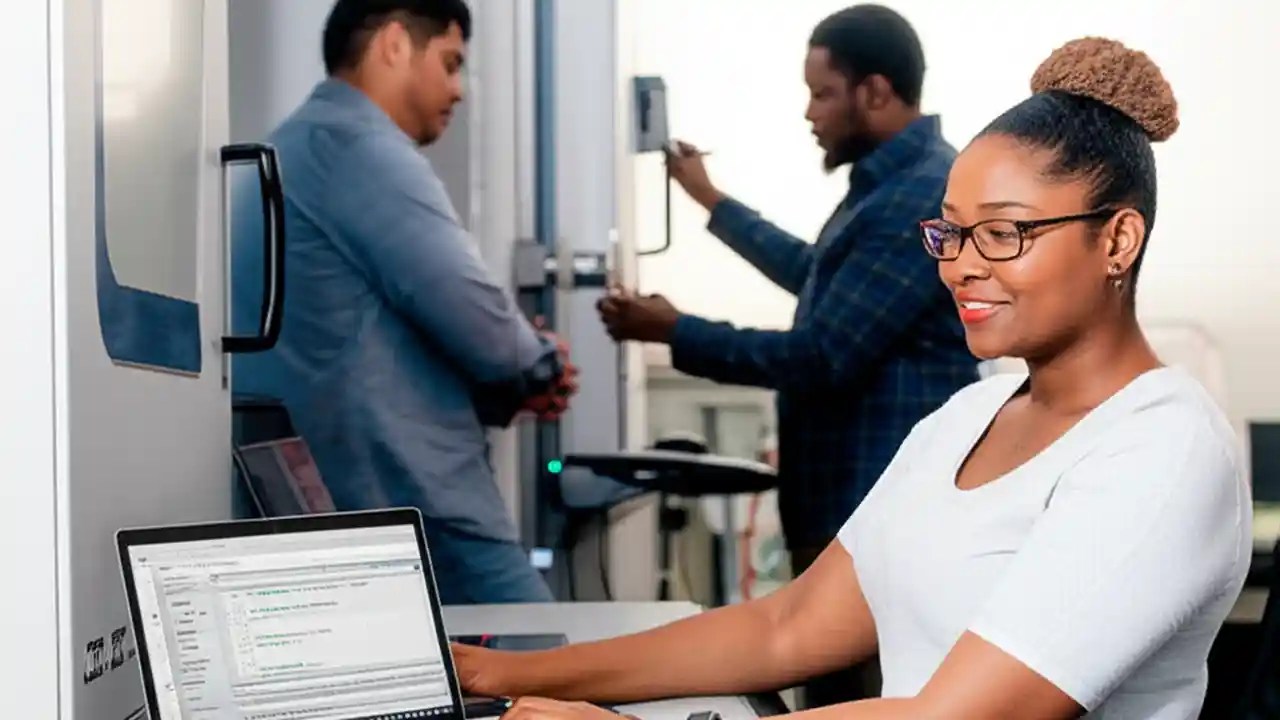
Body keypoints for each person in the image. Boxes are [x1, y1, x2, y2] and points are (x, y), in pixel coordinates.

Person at [455, 37, 1252, 719]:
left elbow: (962, 717)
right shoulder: (965, 418)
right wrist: (502, 672)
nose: (963, 268)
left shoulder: (1162, 450)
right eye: (953, 233)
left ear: (1118, 239)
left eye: (1005, 234)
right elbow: (788, 627)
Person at [599, 6, 977, 704]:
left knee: (854, 703)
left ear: (876, 92)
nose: (810, 113)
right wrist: (710, 199)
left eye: (822, 93)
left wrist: (676, 332)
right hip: (847, 509)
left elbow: (824, 356)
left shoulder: (920, 195)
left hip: (871, 514)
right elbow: (815, 270)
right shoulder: (884, 189)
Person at [231, 0, 576, 605]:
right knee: (542, 666)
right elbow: (478, 316)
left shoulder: (295, 146)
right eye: (450, 63)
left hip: (344, 489)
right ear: (394, 45)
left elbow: (378, 334)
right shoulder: (355, 149)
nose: (459, 89)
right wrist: (541, 361)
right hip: (410, 495)